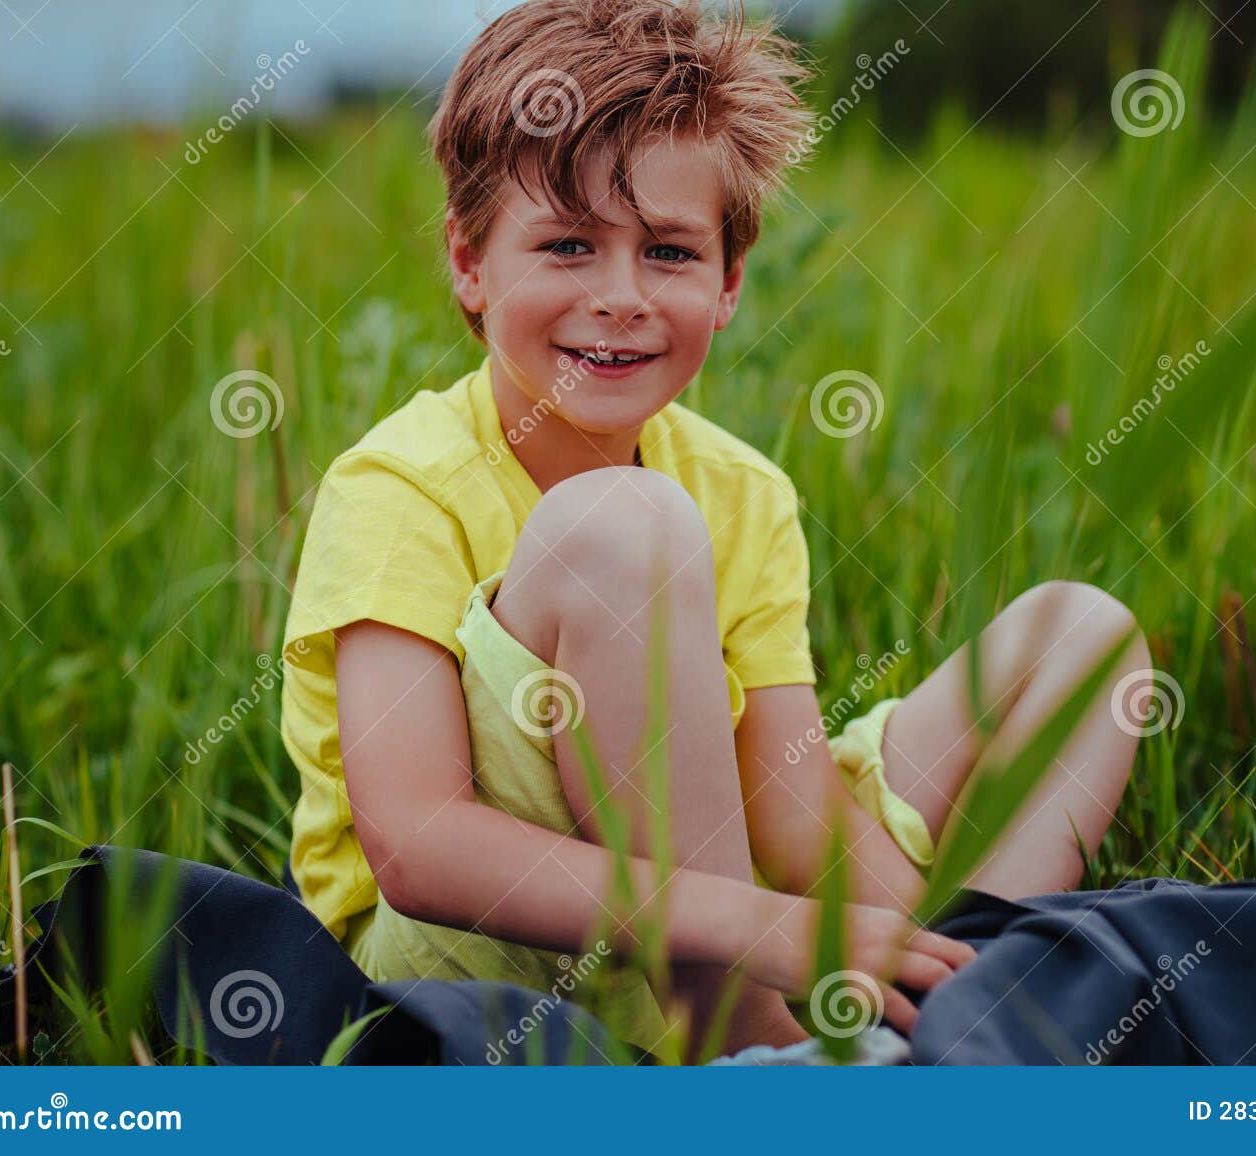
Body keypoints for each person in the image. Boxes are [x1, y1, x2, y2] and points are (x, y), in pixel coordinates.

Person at [279, 0, 1151, 1063]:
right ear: (470, 262)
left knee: (1084, 635)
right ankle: (743, 1038)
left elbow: (785, 802)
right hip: (485, 951)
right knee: (624, 526)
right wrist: (769, 933)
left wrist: (897, 940)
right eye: (565, 244)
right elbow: (418, 844)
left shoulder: (742, 489)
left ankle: (974, 999)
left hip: (721, 880)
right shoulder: (398, 485)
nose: (620, 297)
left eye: (668, 252)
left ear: (729, 281)